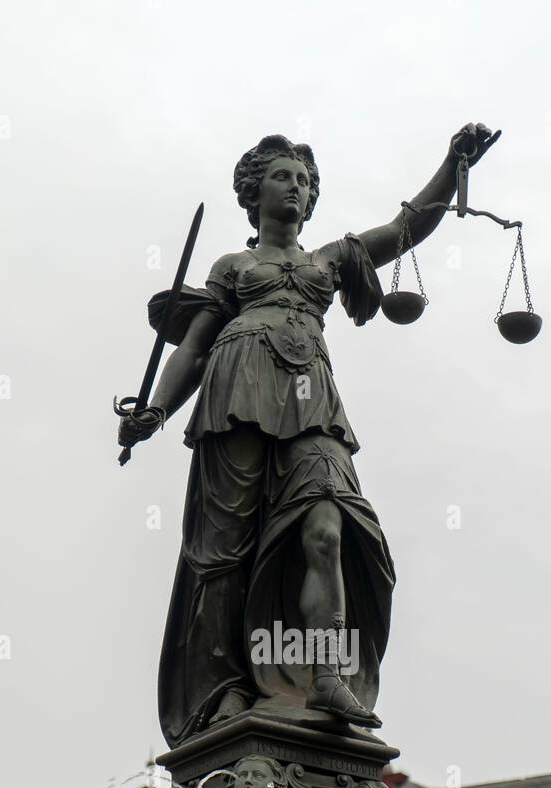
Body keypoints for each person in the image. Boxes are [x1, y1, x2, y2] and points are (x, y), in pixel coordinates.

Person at [118, 126, 499, 747]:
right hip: (236, 396)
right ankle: (223, 688)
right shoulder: (234, 267)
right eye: (281, 176)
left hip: (311, 402)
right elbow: (192, 345)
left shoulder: (329, 261)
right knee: (226, 551)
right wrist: (155, 412)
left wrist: (451, 167)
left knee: (328, 526)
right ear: (254, 190)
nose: (295, 187)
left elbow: (406, 229)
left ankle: (326, 671)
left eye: (303, 180)